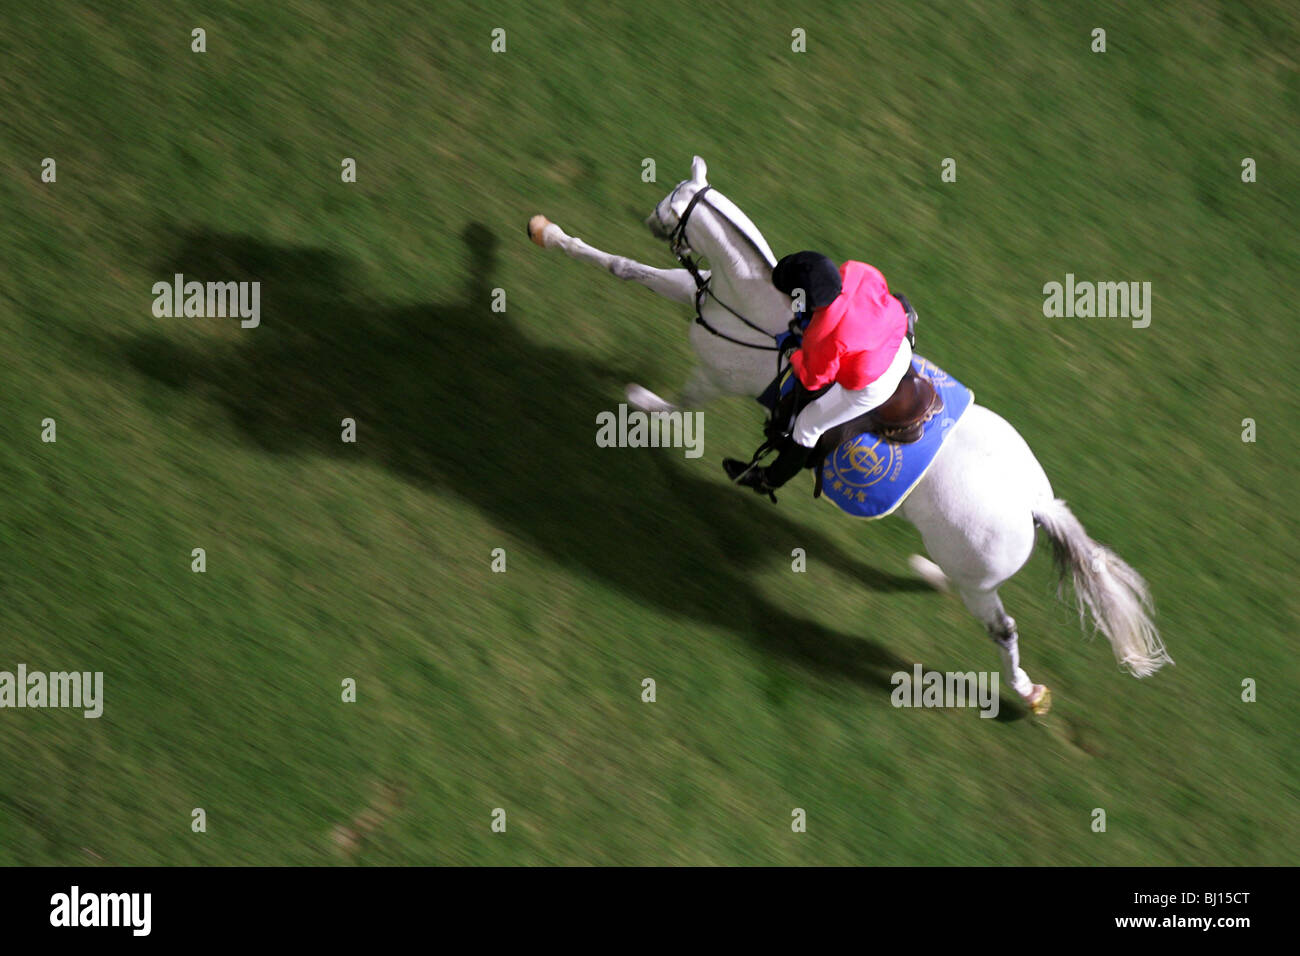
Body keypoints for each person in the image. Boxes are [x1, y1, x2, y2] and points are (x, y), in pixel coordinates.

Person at [724, 251, 912, 497]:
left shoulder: (823, 337)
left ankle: (768, 481)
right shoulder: (858, 270)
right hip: (899, 341)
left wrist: (792, 350)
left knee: (807, 426)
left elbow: (812, 380)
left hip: (874, 383)